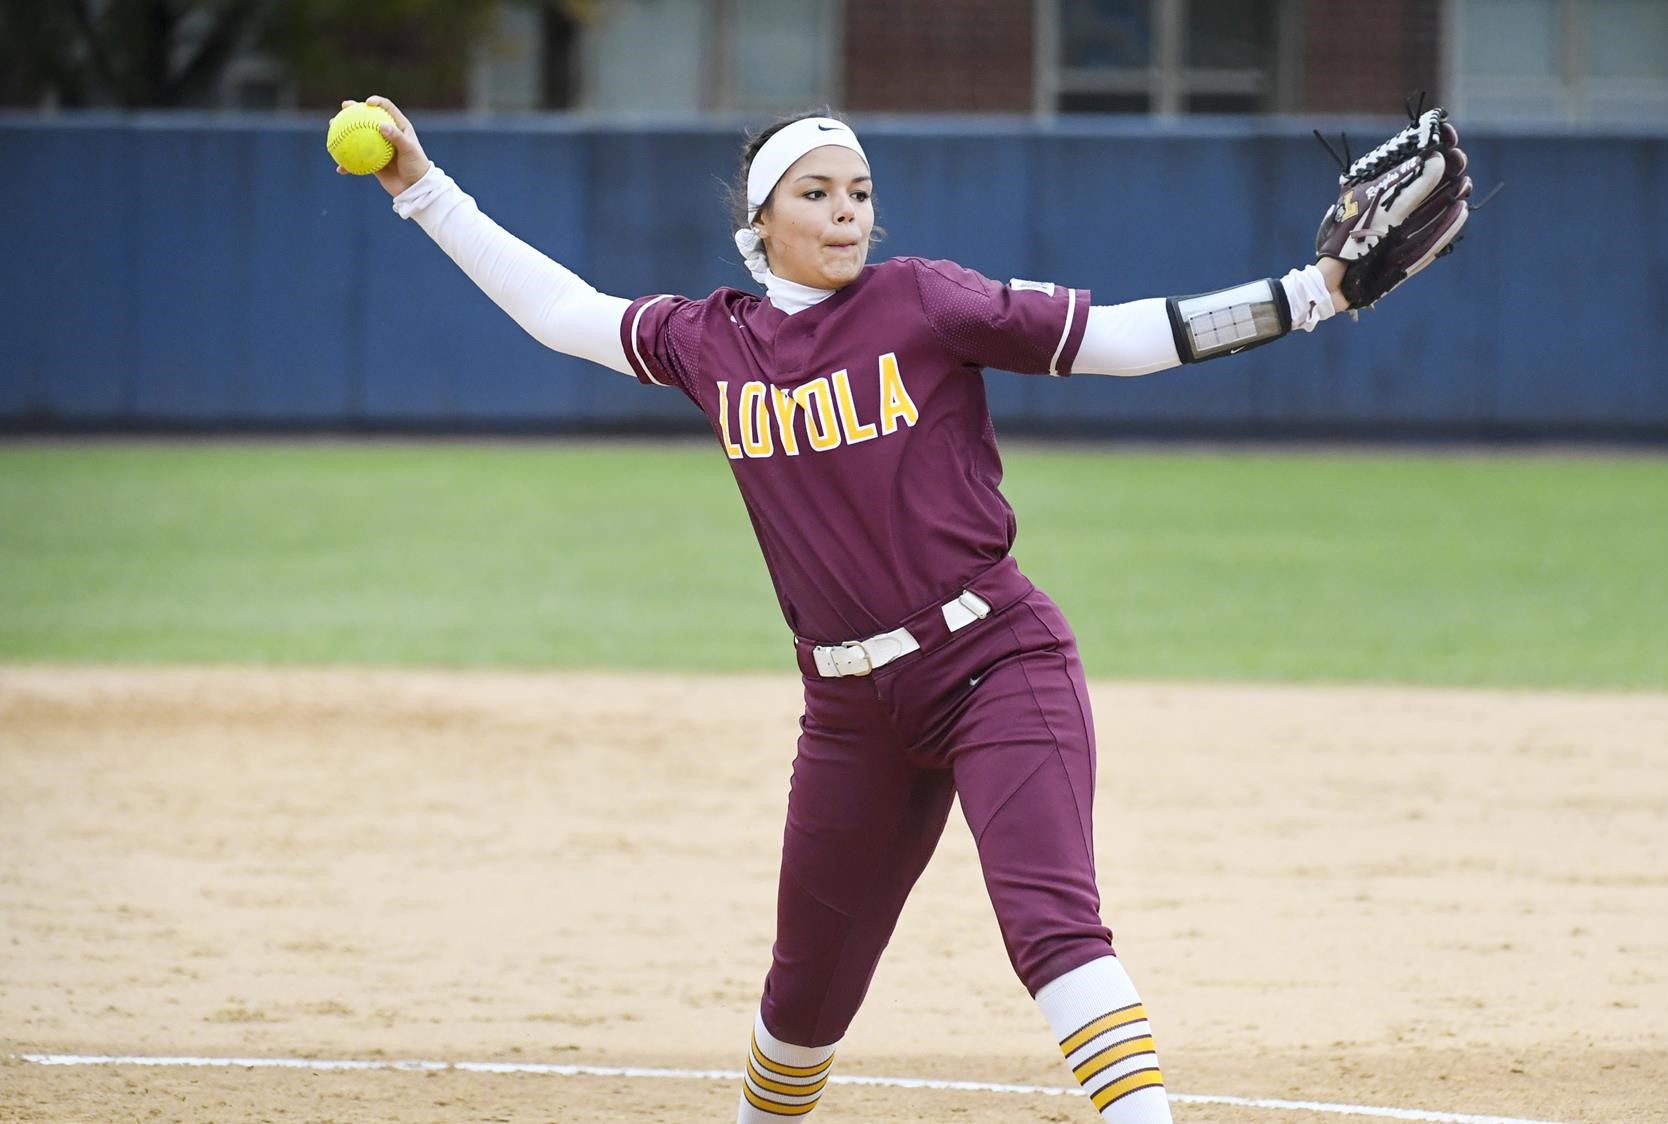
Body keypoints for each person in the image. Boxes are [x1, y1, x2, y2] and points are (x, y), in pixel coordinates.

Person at [337, 95, 1468, 1124]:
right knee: (807, 984)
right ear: (759, 223)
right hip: (848, 710)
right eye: (816, 194)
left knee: (1048, 922)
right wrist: (420, 188)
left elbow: (1121, 341)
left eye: (860, 193)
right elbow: (557, 310)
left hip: (996, 662)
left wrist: (1311, 294)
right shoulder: (709, 341)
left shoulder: (921, 299)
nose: (845, 214)